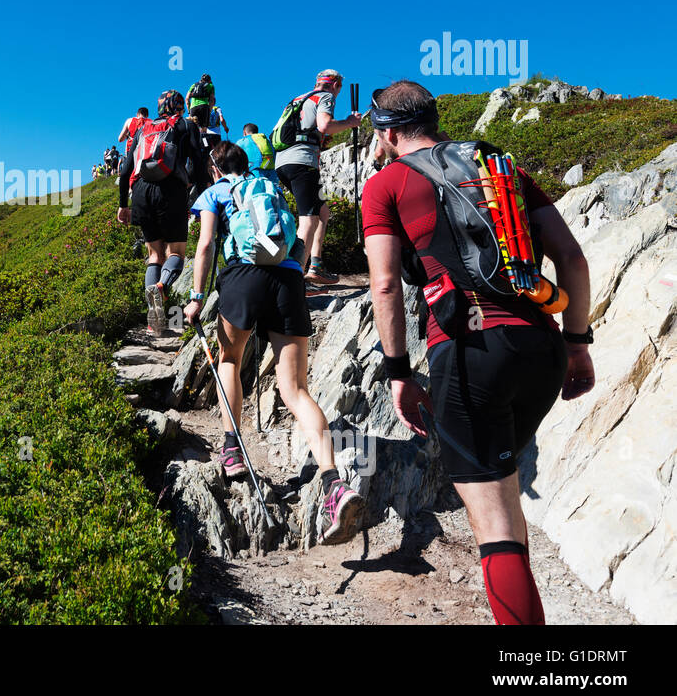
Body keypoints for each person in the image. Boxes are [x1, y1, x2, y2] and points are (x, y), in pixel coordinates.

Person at [361, 79, 595, 625]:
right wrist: (577, 344)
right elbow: (572, 258)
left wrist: (399, 373)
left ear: (387, 131)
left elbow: (386, 285)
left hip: (469, 352)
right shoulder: (493, 163)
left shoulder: (386, 185)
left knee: (494, 525)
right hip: (540, 345)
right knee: (506, 506)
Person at [183, 141, 365, 545]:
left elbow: (206, 245)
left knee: (229, 360)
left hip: (243, 278)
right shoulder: (268, 188)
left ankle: (232, 450)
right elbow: (297, 245)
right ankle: (335, 485)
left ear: (215, 169)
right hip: (287, 280)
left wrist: (196, 298)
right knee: (296, 389)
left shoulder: (216, 192)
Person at [118, 90, 211, 333]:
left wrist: (123, 204)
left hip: (140, 191)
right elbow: (199, 164)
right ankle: (160, 287)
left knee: (154, 255)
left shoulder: (144, 127)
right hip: (171, 190)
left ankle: (153, 322)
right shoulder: (184, 125)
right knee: (176, 254)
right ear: (181, 106)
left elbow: (126, 168)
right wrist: (204, 195)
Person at [272, 69, 362, 285]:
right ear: (336, 85)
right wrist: (350, 123)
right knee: (309, 218)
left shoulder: (298, 99)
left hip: (284, 163)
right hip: (303, 163)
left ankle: (316, 266)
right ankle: (297, 278)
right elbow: (325, 125)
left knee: (322, 211)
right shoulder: (326, 96)